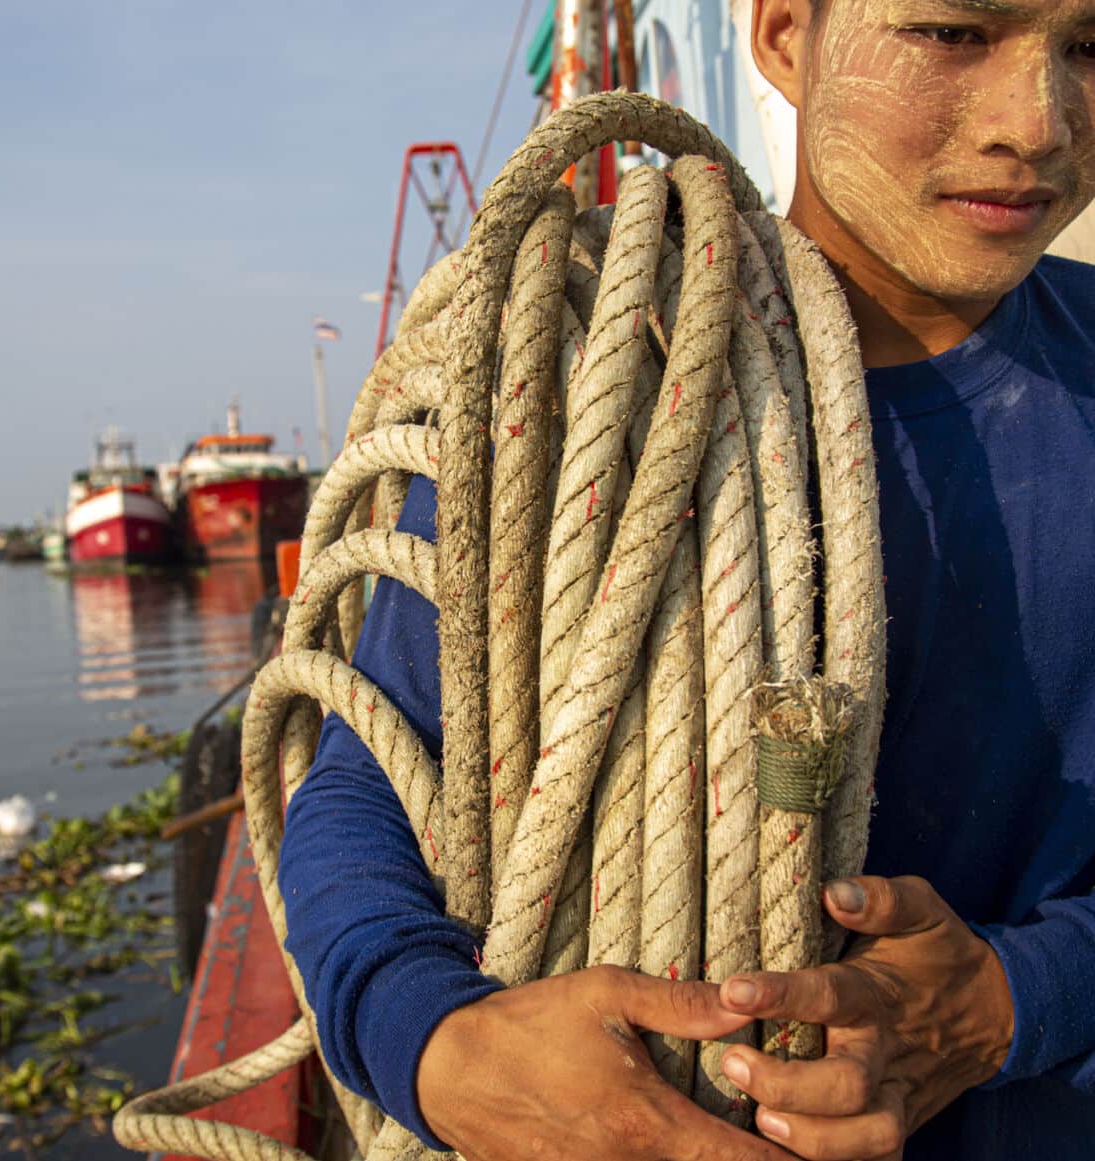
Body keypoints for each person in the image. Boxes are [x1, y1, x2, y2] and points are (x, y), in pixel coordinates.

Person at [276, 1, 1095, 1159]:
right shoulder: (576, 371)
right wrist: (439, 1043)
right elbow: (383, 767)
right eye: (953, 32)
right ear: (781, 40)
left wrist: (1016, 1000)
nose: (1041, 122)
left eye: (1091, 49)